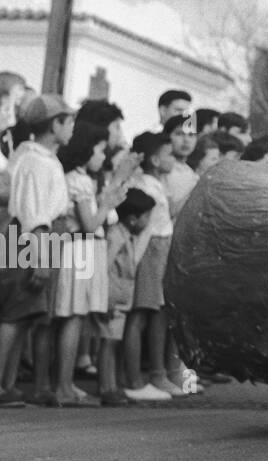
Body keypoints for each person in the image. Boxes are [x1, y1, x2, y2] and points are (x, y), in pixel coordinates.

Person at [4, 94, 76, 406]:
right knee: (14, 312)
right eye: (68, 121)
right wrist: (41, 256)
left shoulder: (41, 158)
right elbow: (34, 213)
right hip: (33, 236)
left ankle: (8, 384)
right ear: (54, 124)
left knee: (25, 313)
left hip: (37, 235)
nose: (72, 128)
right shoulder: (35, 160)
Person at [54, 125, 131, 406]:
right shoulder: (81, 181)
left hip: (82, 249)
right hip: (83, 249)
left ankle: (65, 384)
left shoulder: (78, 178)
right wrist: (108, 202)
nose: (101, 156)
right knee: (74, 314)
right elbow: (90, 224)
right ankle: (63, 385)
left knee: (77, 314)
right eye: (99, 150)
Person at [123, 132, 177, 401]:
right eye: (168, 154)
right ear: (155, 159)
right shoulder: (146, 185)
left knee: (157, 312)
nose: (173, 159)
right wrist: (135, 259)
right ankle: (136, 378)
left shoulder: (156, 183)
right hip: (150, 251)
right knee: (142, 313)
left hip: (160, 250)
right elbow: (144, 230)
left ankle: (158, 373)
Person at [99, 188, 155, 405]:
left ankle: (113, 384)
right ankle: (106, 387)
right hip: (113, 297)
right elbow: (105, 265)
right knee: (109, 343)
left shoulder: (127, 236)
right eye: (146, 217)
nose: (148, 222)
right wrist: (106, 297)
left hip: (122, 298)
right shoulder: (117, 236)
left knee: (114, 342)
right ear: (132, 219)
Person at [161, 114, 200, 220]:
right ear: (167, 136)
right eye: (179, 134)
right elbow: (168, 212)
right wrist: (196, 189)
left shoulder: (191, 173)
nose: (186, 140)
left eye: (191, 135)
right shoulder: (163, 170)